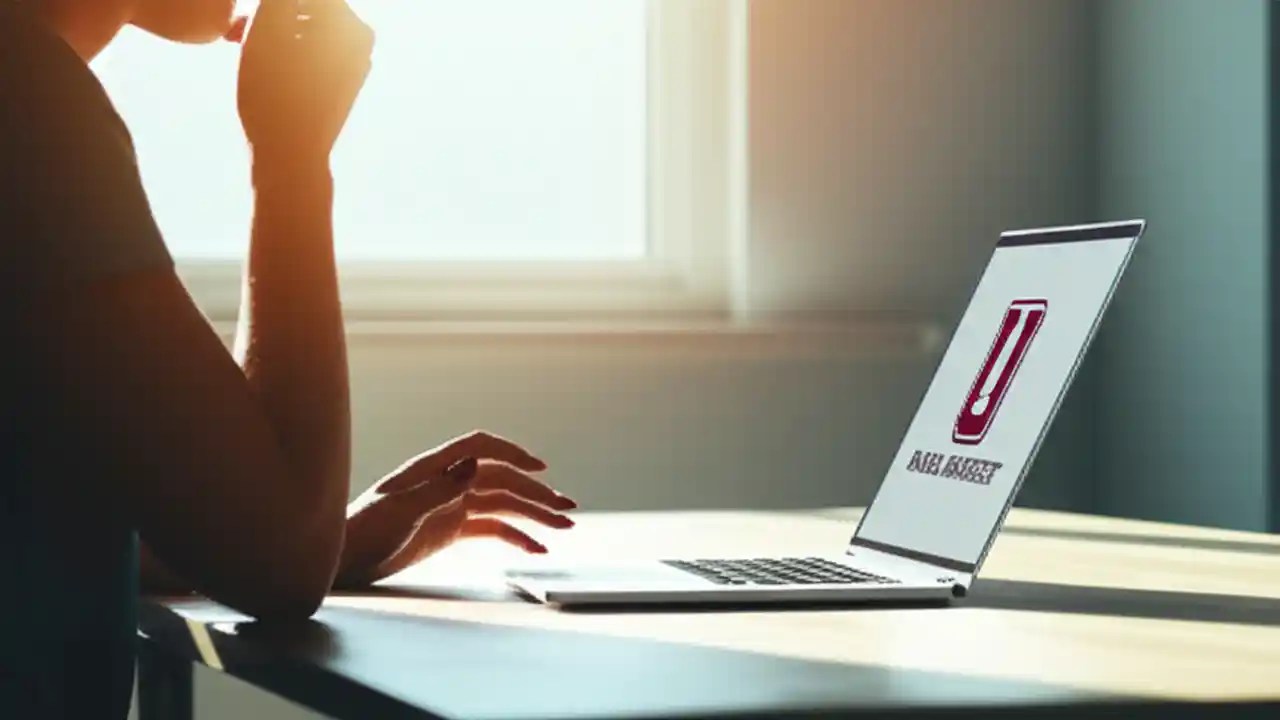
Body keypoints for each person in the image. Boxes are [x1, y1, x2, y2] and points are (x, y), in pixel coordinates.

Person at [0, 0, 578, 716]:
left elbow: (36, 525)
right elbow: (281, 571)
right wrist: (291, 155)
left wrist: (332, 538)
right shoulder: (29, 100)